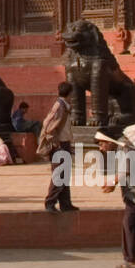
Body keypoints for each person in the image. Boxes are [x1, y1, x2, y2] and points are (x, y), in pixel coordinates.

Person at [40, 81, 76, 212]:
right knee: (59, 174)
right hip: (59, 145)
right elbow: (47, 125)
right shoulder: (59, 106)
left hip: (64, 143)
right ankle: (50, 202)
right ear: (70, 93)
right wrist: (55, 142)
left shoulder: (64, 106)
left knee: (65, 175)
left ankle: (66, 203)